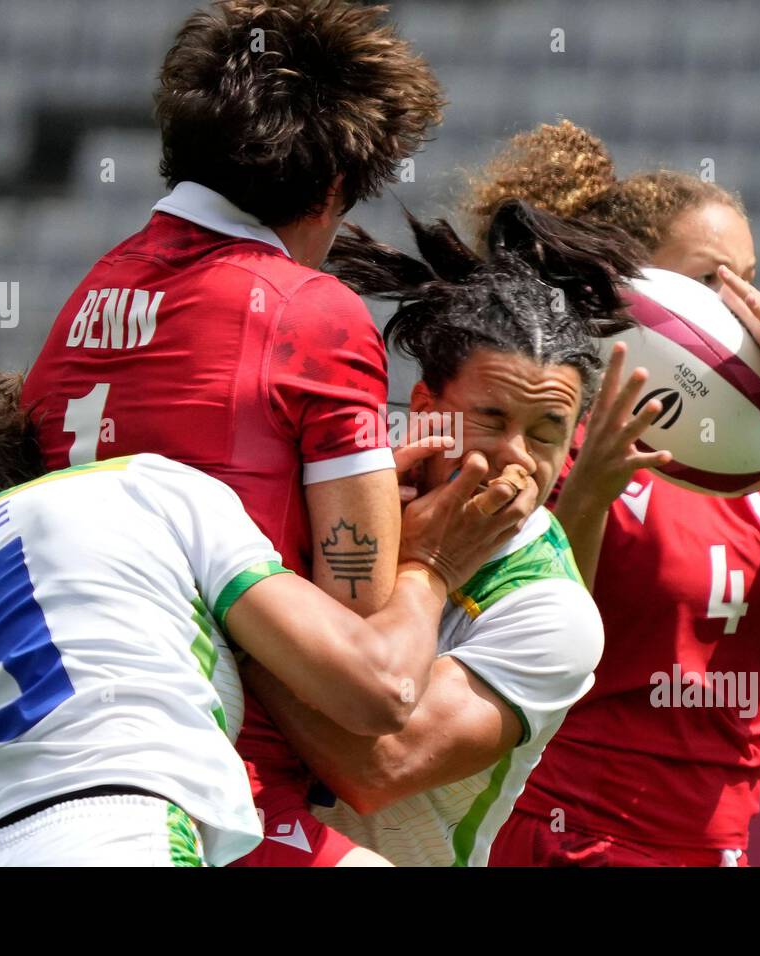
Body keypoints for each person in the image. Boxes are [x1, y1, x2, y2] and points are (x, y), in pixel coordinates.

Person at [18, 0, 446, 865]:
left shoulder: (84, 299)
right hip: (211, 782)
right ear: (331, 189)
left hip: (45, 751)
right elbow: (354, 625)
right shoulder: (314, 313)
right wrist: (432, 557)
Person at [0, 373, 531, 866]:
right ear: (36, 466)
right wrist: (429, 561)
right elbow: (378, 687)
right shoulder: (133, 485)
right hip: (122, 835)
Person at [469, 121, 760, 866]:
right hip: (563, 832)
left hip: (715, 845)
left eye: (750, 275)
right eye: (712, 279)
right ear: (635, 287)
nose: (741, 304)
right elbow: (524, 619)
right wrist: (589, 493)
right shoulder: (554, 431)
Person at [243, 199, 664, 866]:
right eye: (492, 419)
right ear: (426, 410)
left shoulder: (553, 614)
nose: (519, 457)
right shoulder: (347, 479)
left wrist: (236, 607)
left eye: (547, 432)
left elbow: (377, 767)